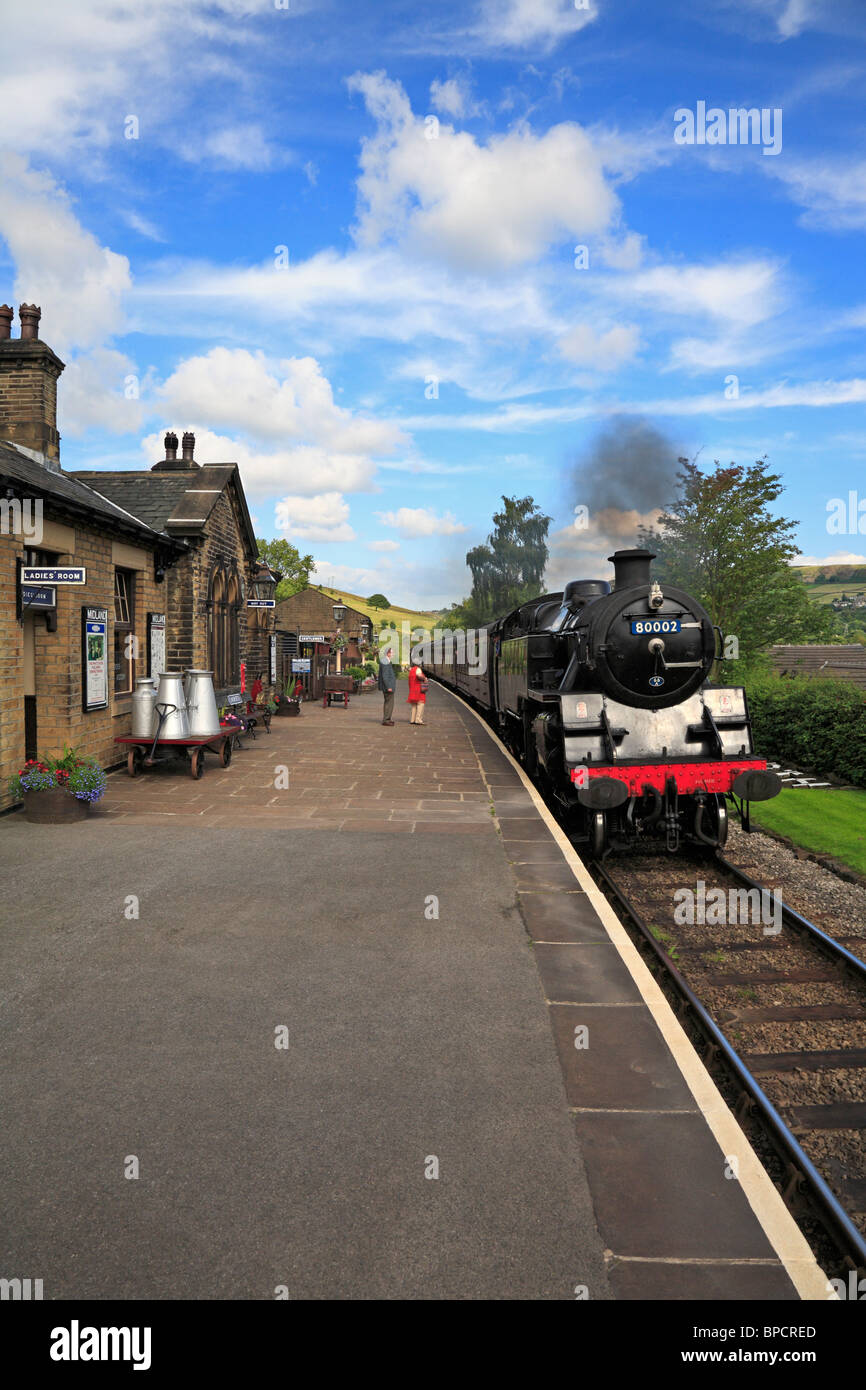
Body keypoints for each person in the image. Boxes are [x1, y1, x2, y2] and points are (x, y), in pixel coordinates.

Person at [378, 646, 396, 725]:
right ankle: (386, 720)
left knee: (389, 703)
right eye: (392, 652)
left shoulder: (386, 660)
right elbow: (385, 676)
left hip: (388, 686)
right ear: (388, 653)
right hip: (388, 687)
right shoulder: (385, 661)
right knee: (389, 703)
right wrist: (388, 686)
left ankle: (387, 718)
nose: (393, 654)